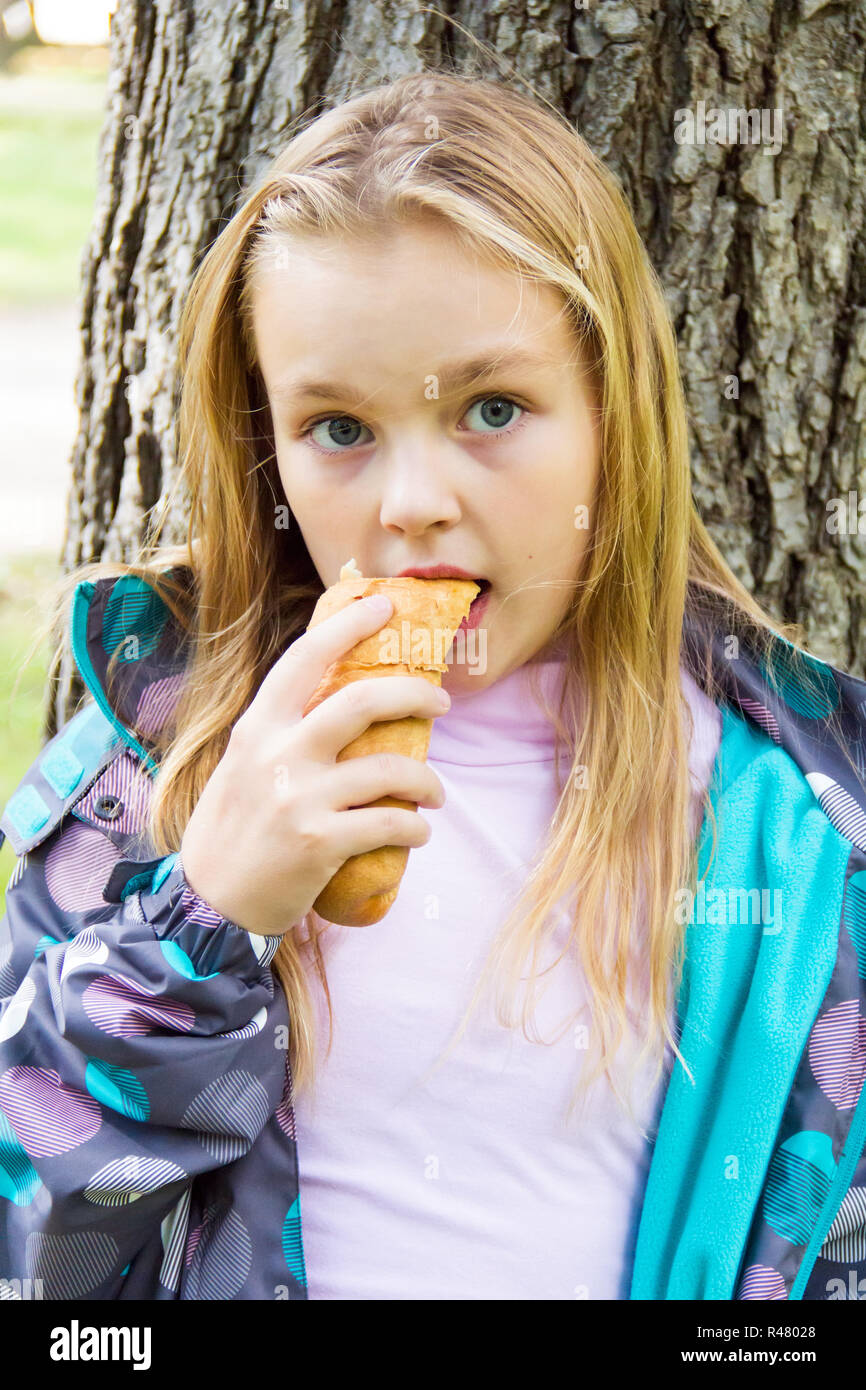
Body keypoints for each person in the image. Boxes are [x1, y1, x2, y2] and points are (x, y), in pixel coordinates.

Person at [2, 67, 866, 1303]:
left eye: (492, 407)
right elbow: (43, 1276)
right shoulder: (145, 786)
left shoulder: (802, 838)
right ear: (270, 450)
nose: (412, 505)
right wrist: (201, 917)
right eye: (339, 430)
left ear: (614, 417)